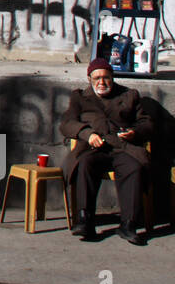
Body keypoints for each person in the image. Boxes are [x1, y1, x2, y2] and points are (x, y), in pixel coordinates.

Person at [60, 58, 154, 245]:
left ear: (112, 77)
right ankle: (85, 220)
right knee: (84, 164)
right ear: (89, 79)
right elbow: (67, 124)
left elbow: (147, 123)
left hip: (123, 148)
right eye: (97, 79)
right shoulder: (79, 97)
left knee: (133, 167)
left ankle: (128, 224)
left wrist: (134, 132)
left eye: (106, 78)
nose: (102, 83)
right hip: (93, 148)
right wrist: (87, 134)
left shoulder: (129, 95)